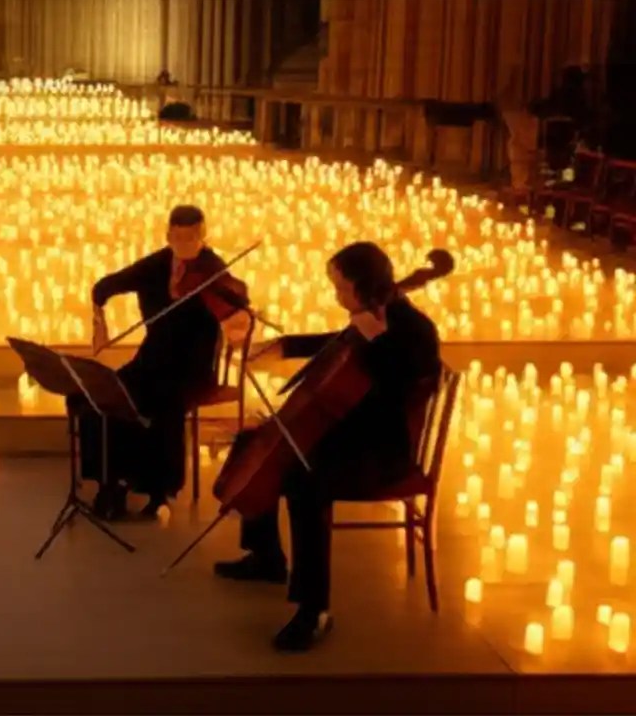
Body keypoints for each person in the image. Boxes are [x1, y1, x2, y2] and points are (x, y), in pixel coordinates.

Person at [214, 242, 441, 652]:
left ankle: (313, 608)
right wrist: (283, 347)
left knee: (304, 479)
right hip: (350, 433)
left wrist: (375, 345)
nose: (336, 297)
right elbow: (336, 341)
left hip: (382, 451)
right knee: (259, 438)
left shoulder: (413, 331)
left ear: (365, 287)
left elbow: (394, 393)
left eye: (340, 289)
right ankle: (265, 555)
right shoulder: (371, 316)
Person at [77, 205, 250, 520]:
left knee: (160, 405)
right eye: (178, 236)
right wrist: (99, 303)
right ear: (168, 234)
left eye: (193, 237)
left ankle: (158, 491)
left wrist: (234, 302)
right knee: (103, 399)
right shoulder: (157, 264)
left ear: (203, 235)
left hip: (192, 367)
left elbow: (239, 301)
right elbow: (109, 284)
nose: (185, 243)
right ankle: (110, 484)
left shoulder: (211, 269)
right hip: (152, 358)